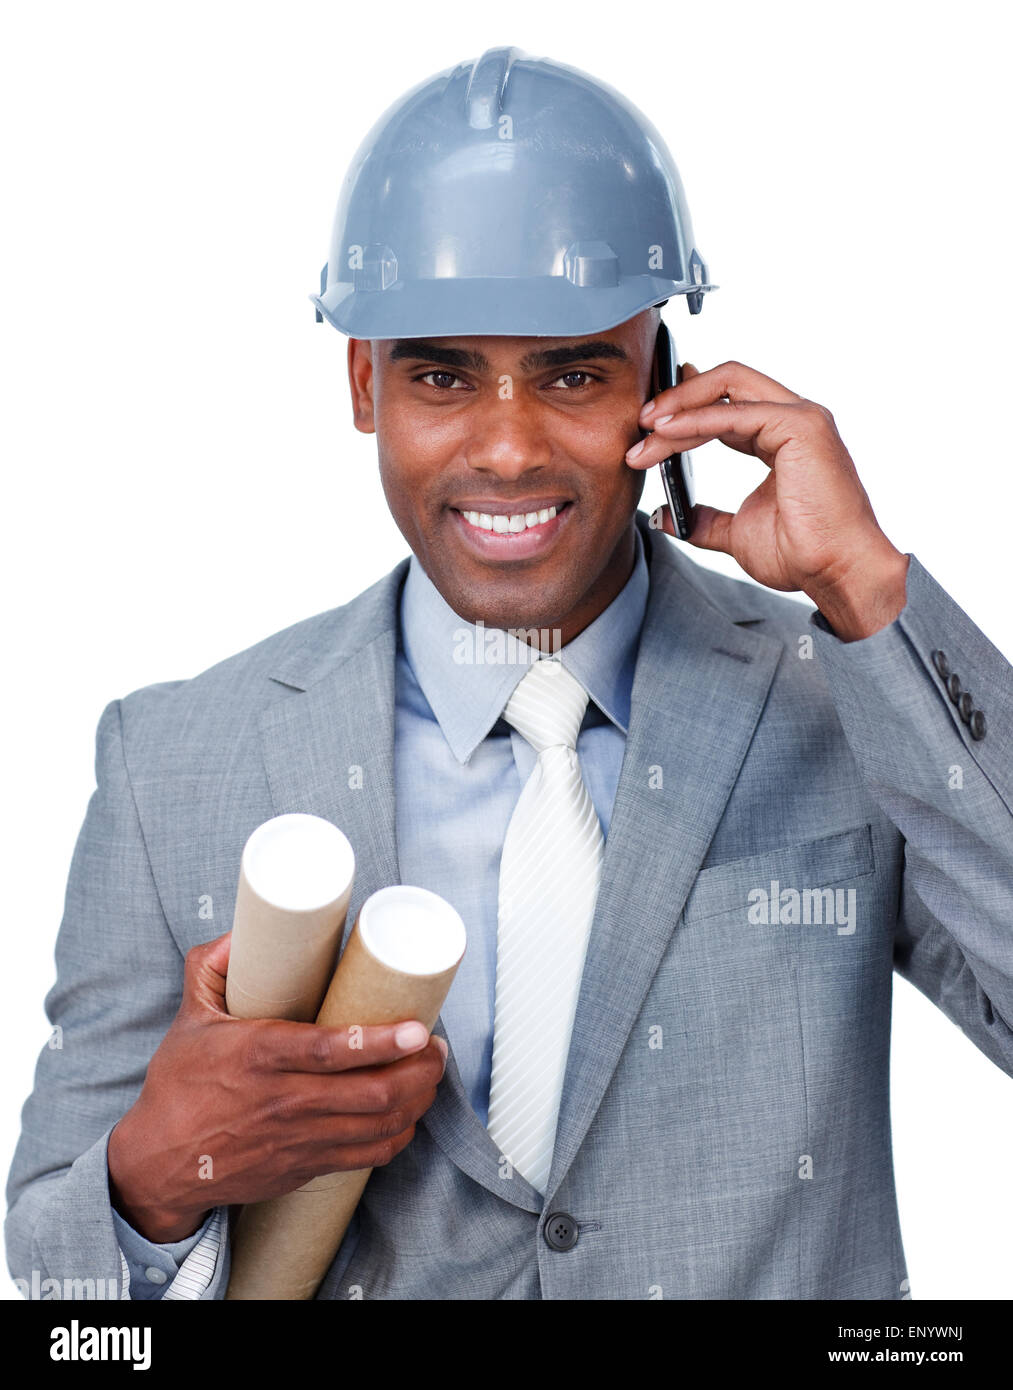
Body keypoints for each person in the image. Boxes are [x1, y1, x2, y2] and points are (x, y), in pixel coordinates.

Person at [6, 46, 1012, 1302]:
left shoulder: (848, 701)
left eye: (573, 372)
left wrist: (867, 593)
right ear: (363, 383)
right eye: (440, 375)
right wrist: (152, 1178)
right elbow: (60, 1307)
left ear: (665, 386)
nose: (507, 446)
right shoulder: (169, 764)